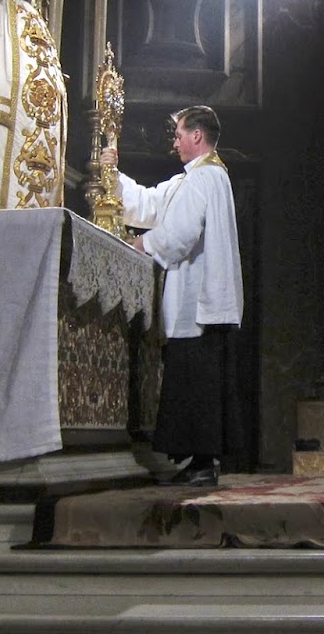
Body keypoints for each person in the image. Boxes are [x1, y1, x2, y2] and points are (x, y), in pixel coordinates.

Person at [102, 106, 244, 486]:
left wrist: (143, 243)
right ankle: (200, 463)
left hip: (199, 303)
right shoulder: (196, 178)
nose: (175, 141)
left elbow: (180, 233)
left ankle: (202, 465)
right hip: (200, 303)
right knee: (197, 381)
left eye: (180, 134)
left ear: (197, 136)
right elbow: (151, 203)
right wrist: (110, 176)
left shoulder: (205, 178)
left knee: (197, 382)